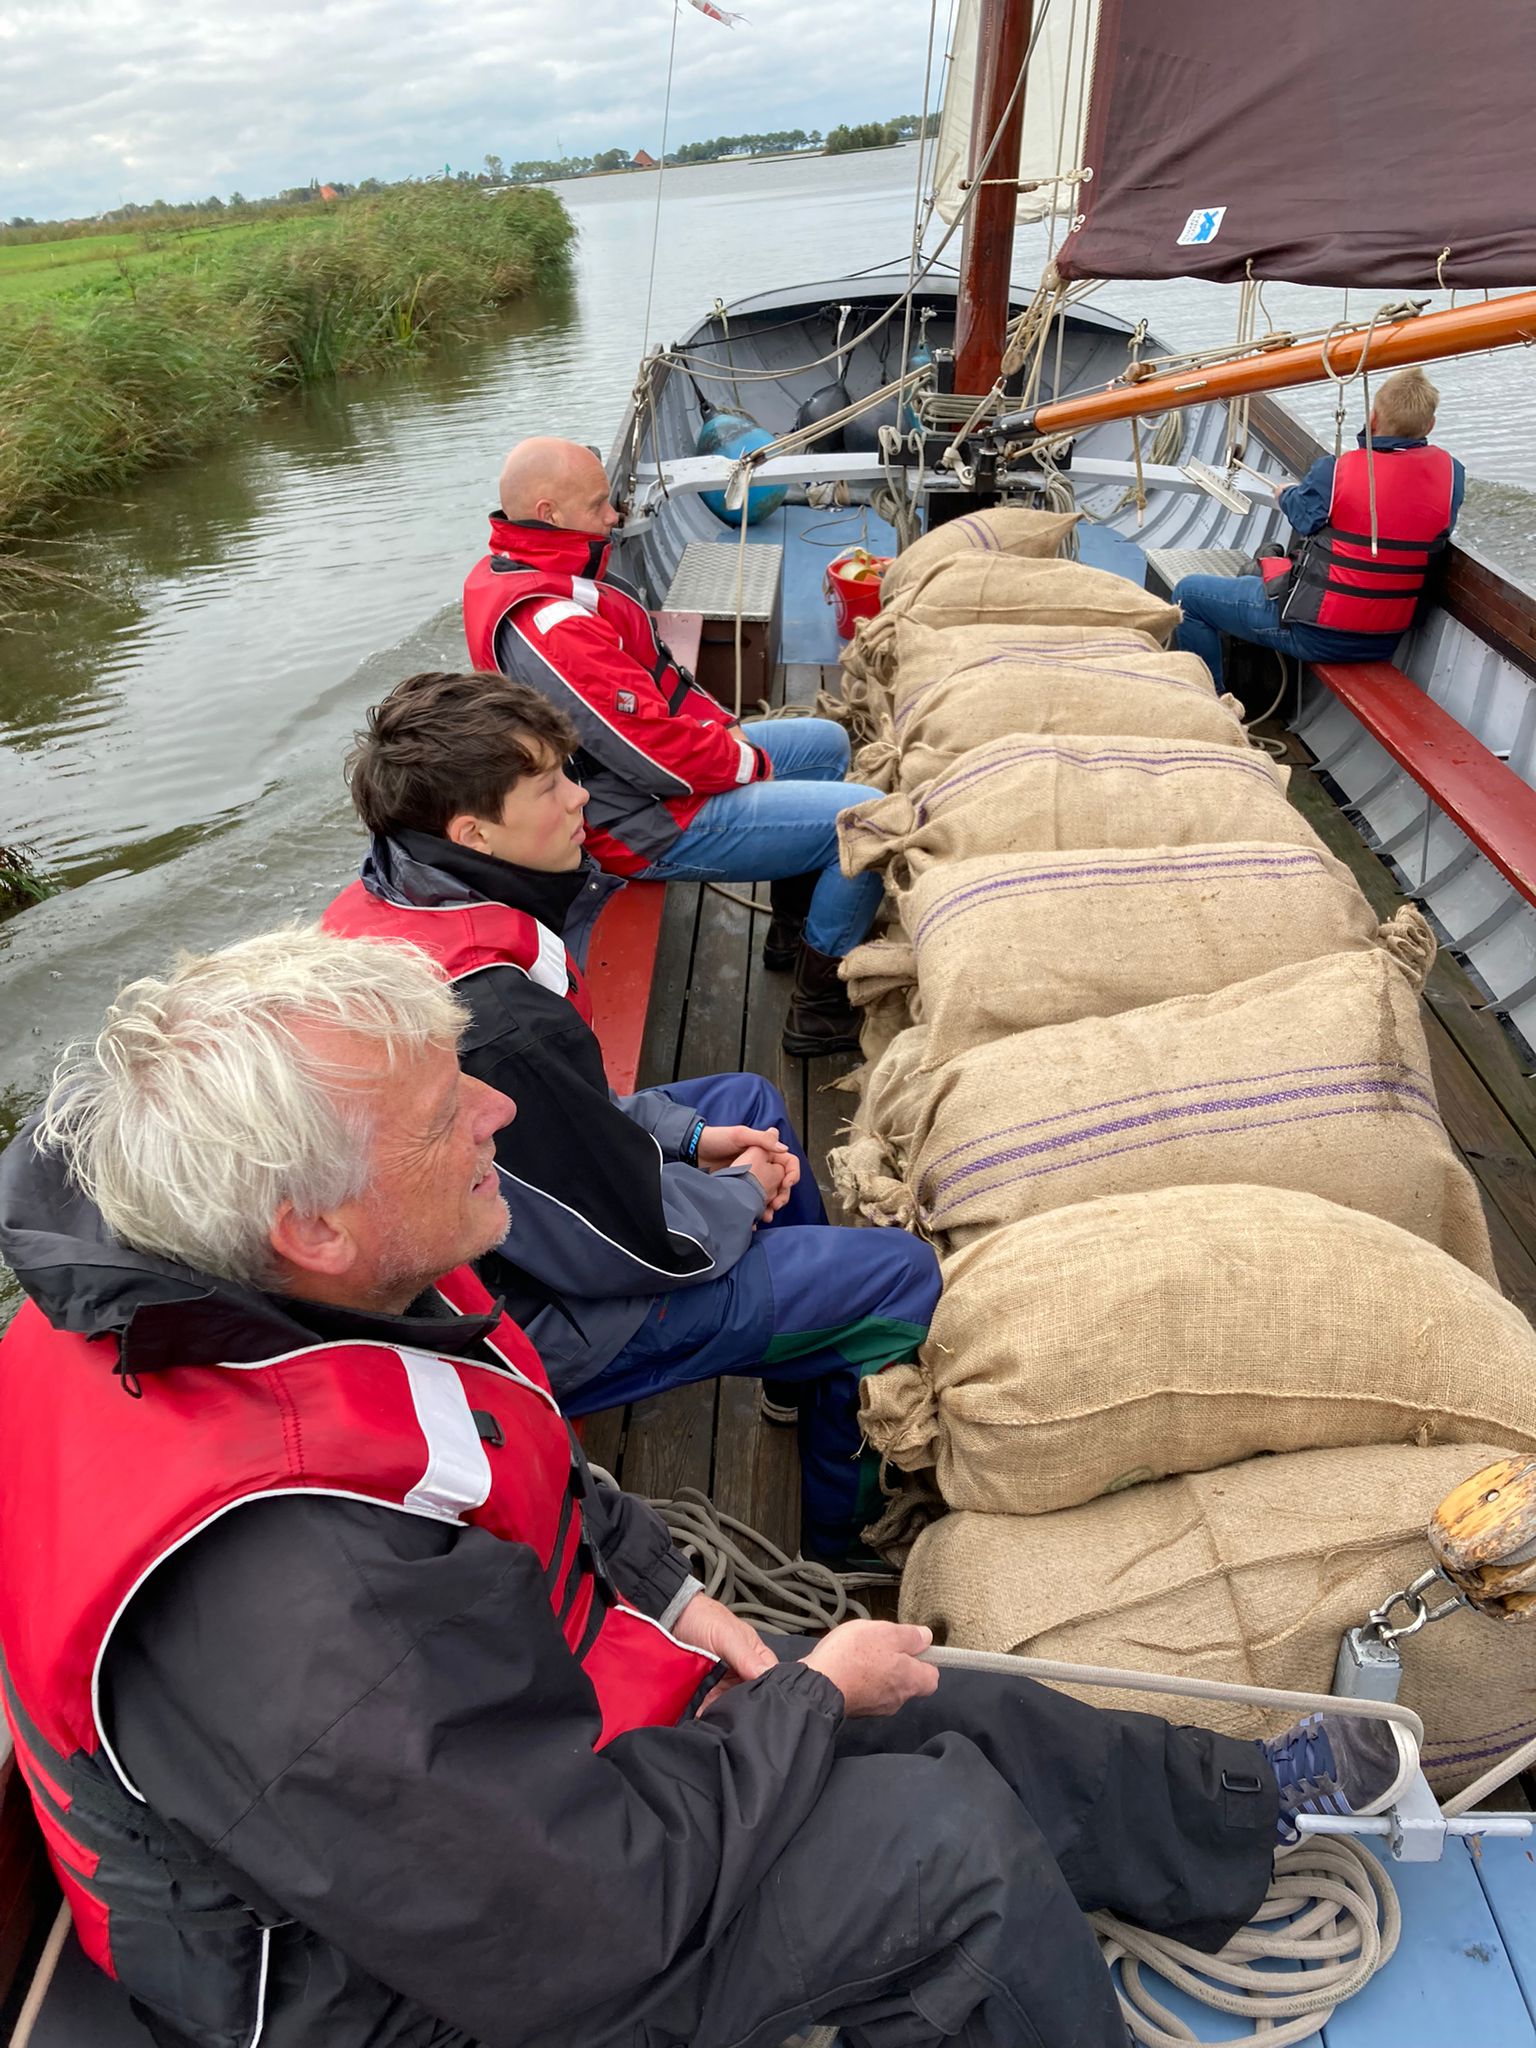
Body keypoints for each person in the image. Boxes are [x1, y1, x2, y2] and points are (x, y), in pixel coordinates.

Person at [0, 926, 1413, 2048]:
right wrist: (804, 1701)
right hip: (407, 1980)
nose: (499, 1108)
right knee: (940, 1850)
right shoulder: (293, 1614)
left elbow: (503, 1454)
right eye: (447, 1113)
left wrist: (671, 1588)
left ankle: (1227, 1811)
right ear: (308, 1222)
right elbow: (575, 1919)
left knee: (931, 1694)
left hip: (488, 1766)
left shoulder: (279, 1291)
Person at [323, 668, 941, 1566]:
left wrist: (696, 1142)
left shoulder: (395, 897)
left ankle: (800, 1371)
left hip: (507, 1229)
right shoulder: (494, 1021)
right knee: (899, 1279)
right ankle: (846, 1538)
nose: (583, 797)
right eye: (552, 785)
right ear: (474, 831)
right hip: (505, 1323)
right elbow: (645, 1244)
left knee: (746, 1103)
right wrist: (738, 1191)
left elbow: (560, 1121)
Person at [463, 434, 884, 1056]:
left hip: (653, 785)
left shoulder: (540, 575)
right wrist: (748, 761)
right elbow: (654, 756)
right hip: (640, 821)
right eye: (600, 505)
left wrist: (725, 729)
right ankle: (819, 1012)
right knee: (866, 821)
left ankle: (793, 935)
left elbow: (660, 691)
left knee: (824, 743)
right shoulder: (550, 625)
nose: (614, 518)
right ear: (549, 512)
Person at [1173, 366, 1465, 690]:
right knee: (1269, 568)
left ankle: (1212, 705)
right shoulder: (1453, 477)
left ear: (1372, 419)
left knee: (1189, 595)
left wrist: (1287, 496)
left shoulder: (1336, 471)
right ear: (1431, 425)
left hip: (1317, 634)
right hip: (1386, 638)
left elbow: (1303, 517)